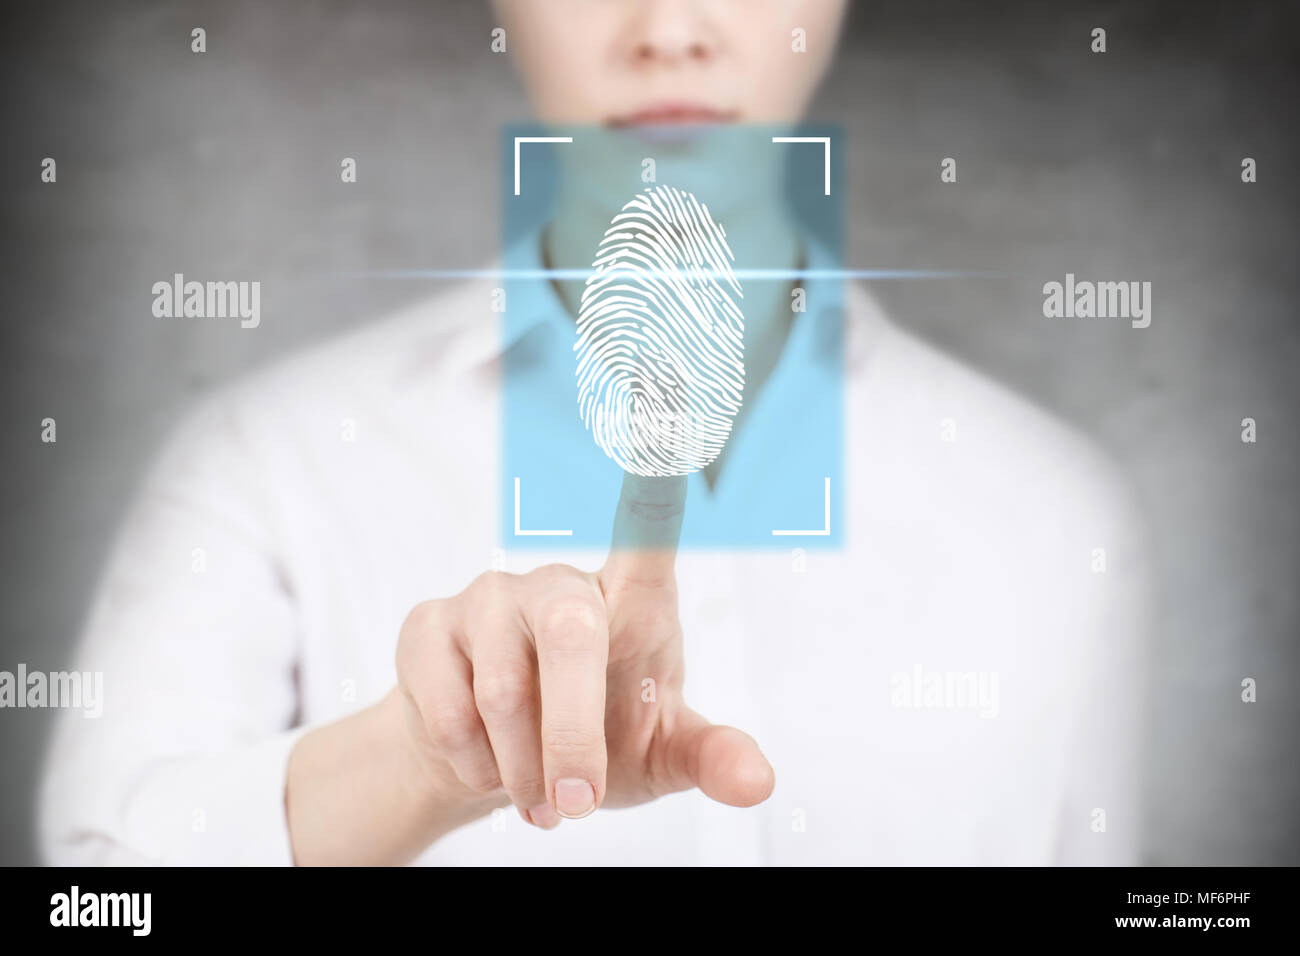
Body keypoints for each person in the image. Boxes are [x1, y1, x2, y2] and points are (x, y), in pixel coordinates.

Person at [39, 0, 1148, 866]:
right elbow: (93, 895)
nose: (669, 33)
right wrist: (422, 760)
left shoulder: (1053, 507)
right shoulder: (268, 458)